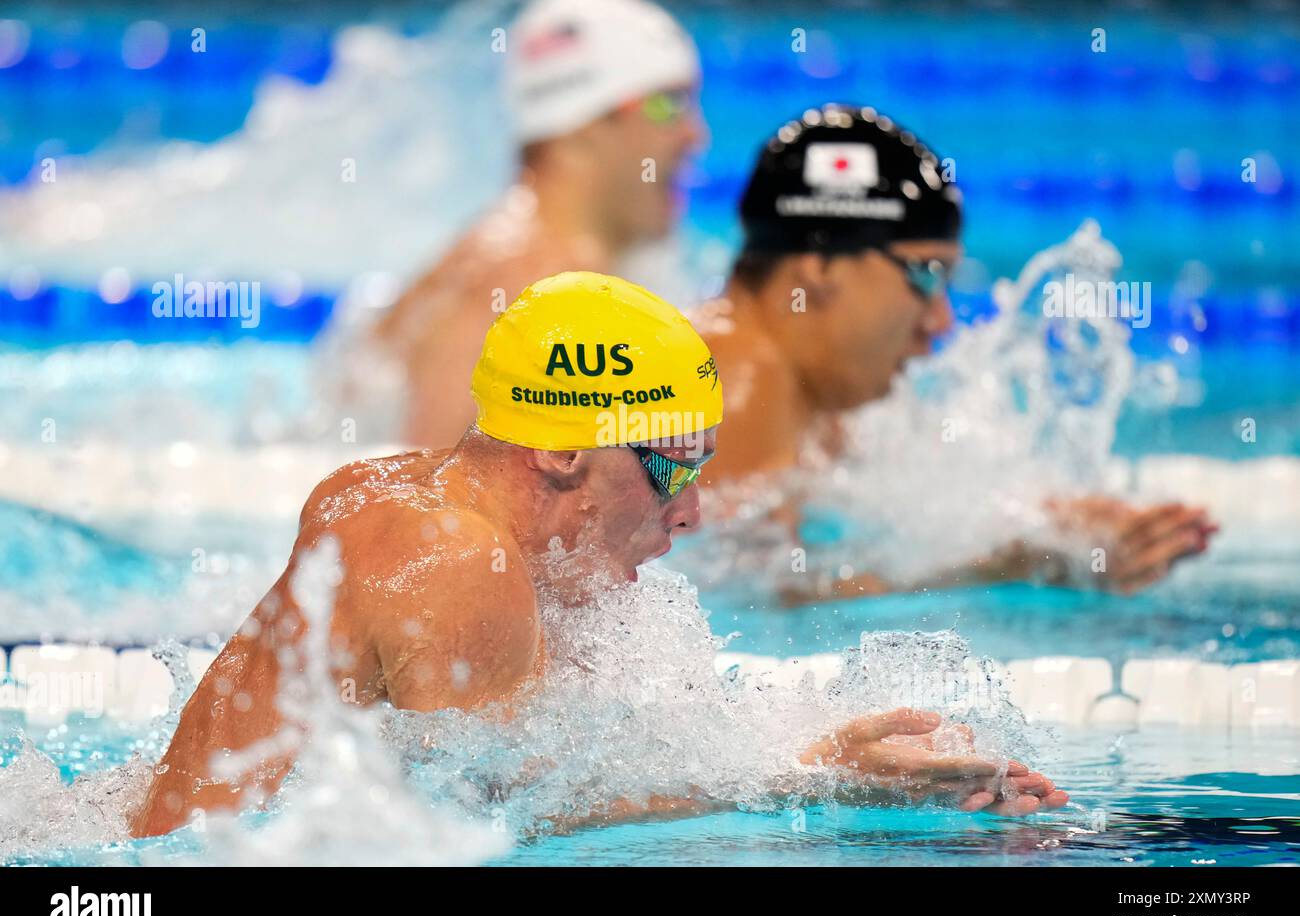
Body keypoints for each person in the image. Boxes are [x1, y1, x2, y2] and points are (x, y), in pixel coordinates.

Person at [131, 272, 1066, 838]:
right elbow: (495, 819)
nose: (693, 513)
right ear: (564, 450)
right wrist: (818, 782)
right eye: (672, 469)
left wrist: (805, 741)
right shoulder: (460, 560)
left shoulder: (388, 488)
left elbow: (563, 752)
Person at [695, 104, 1217, 598]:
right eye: (924, 275)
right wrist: (1017, 566)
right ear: (821, 265)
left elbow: (891, 497)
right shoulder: (736, 387)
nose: (940, 321)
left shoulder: (805, 390)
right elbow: (756, 602)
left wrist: (1063, 527)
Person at [369, 0, 708, 448]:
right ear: (585, 122)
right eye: (669, 104)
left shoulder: (524, 259)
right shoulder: (520, 289)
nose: (696, 136)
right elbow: (429, 494)